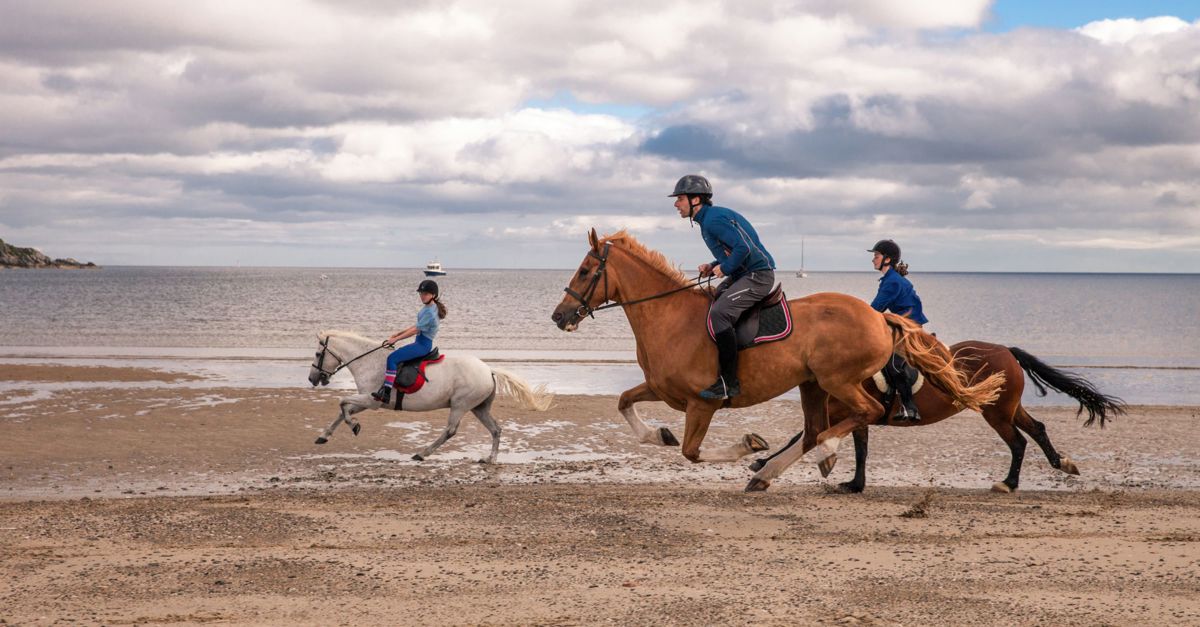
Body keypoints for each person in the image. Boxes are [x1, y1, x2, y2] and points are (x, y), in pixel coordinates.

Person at [670, 174, 776, 400]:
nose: (676, 204)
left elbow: (744, 248)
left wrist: (725, 268)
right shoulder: (708, 219)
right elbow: (735, 249)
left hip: (758, 276)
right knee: (711, 301)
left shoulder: (713, 220)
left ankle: (729, 383)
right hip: (745, 273)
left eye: (680, 199)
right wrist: (713, 265)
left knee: (719, 314)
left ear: (695, 199)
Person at [868, 239, 925, 421]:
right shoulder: (889, 279)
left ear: (887, 259)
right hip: (901, 324)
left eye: (876, 256)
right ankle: (889, 397)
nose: (873, 260)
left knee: (892, 363)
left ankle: (910, 408)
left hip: (908, 327)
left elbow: (875, 309)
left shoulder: (892, 282)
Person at [372, 279, 446, 404]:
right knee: (398, 354)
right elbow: (416, 326)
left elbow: (416, 330)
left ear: (433, 295)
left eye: (425, 294)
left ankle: (386, 393)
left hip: (423, 345)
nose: (422, 296)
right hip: (419, 343)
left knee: (392, 358)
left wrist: (395, 339)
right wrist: (399, 333)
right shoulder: (429, 307)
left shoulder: (430, 313)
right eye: (421, 294)